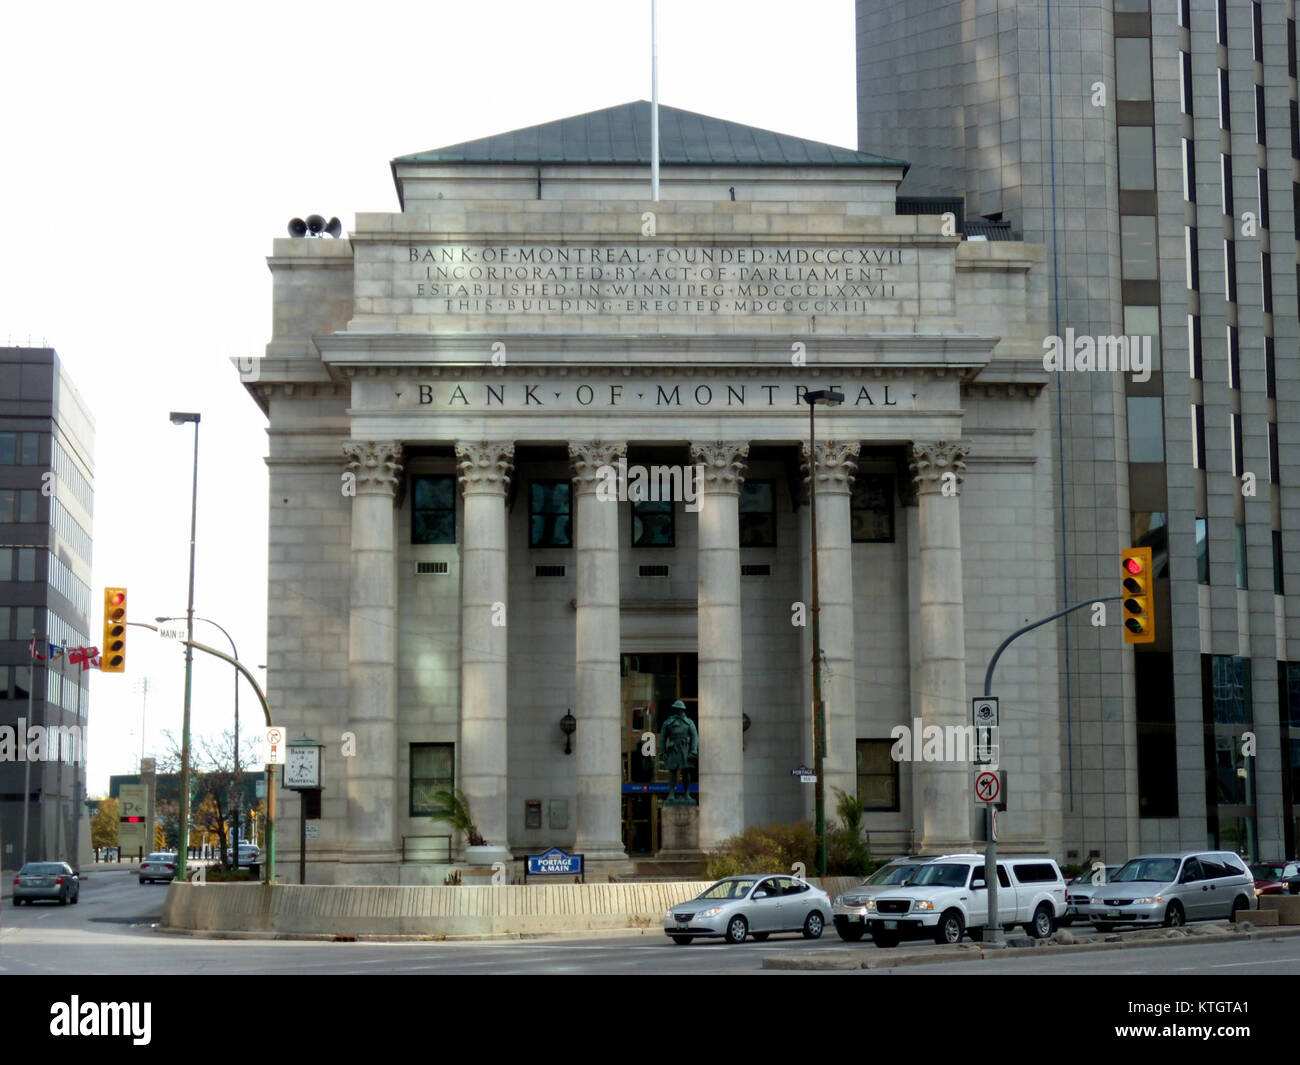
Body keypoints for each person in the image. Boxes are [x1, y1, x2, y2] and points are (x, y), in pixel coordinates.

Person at [659, 700, 699, 805]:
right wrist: (662, 751)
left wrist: (693, 750)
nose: (678, 711)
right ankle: (671, 794)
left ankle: (687, 794)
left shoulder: (689, 722)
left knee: (686, 772)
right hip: (673, 749)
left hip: (685, 750)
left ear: (683, 710)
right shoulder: (668, 722)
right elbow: (662, 738)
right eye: (676, 709)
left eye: (680, 709)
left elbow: (695, 737)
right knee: (672, 772)